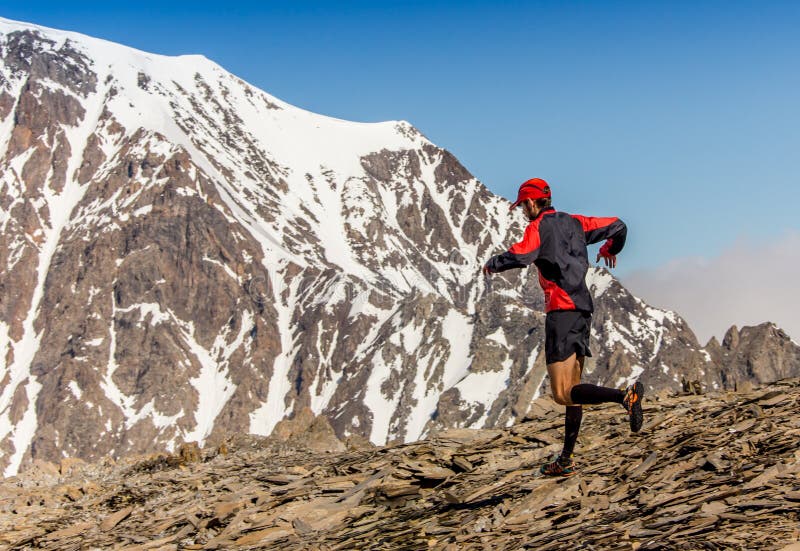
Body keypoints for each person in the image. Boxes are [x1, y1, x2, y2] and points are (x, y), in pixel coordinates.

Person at [482, 178, 644, 477]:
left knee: (562, 393)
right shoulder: (576, 222)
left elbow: (522, 255)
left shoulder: (537, 227)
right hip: (583, 308)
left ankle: (624, 396)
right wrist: (610, 247)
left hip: (561, 310)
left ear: (532, 202)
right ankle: (567, 459)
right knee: (574, 386)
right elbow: (618, 225)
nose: (523, 212)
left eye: (523, 206)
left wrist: (494, 263)